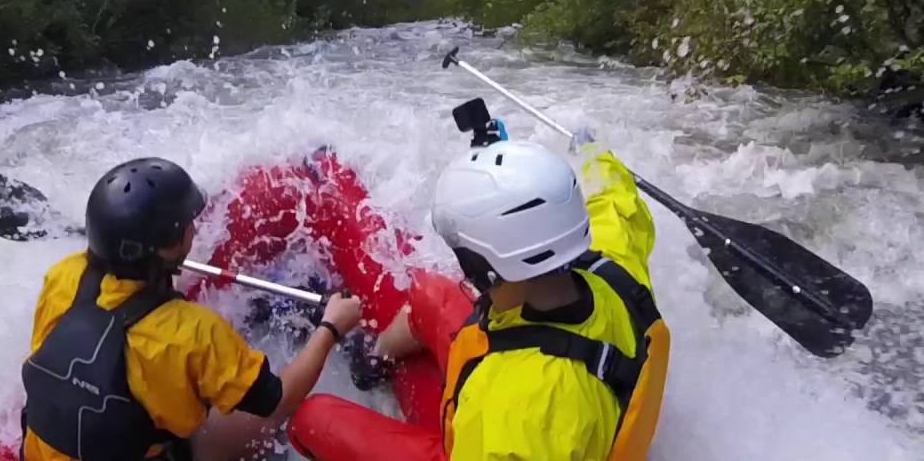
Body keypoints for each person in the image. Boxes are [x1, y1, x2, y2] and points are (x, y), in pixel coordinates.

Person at [287, 132, 671, 460]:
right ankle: (373, 356)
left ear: (486, 268)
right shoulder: (611, 262)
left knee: (310, 419)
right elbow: (616, 201)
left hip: (504, 429)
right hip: (565, 376)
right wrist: (595, 152)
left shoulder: (514, 413)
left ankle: (368, 364)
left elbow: (518, 428)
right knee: (429, 293)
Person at [19, 157, 363, 461]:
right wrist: (331, 327)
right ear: (170, 246)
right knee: (264, 422)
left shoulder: (65, 274)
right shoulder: (192, 333)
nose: (195, 227)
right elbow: (275, 400)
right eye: (187, 223)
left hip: (39, 449)